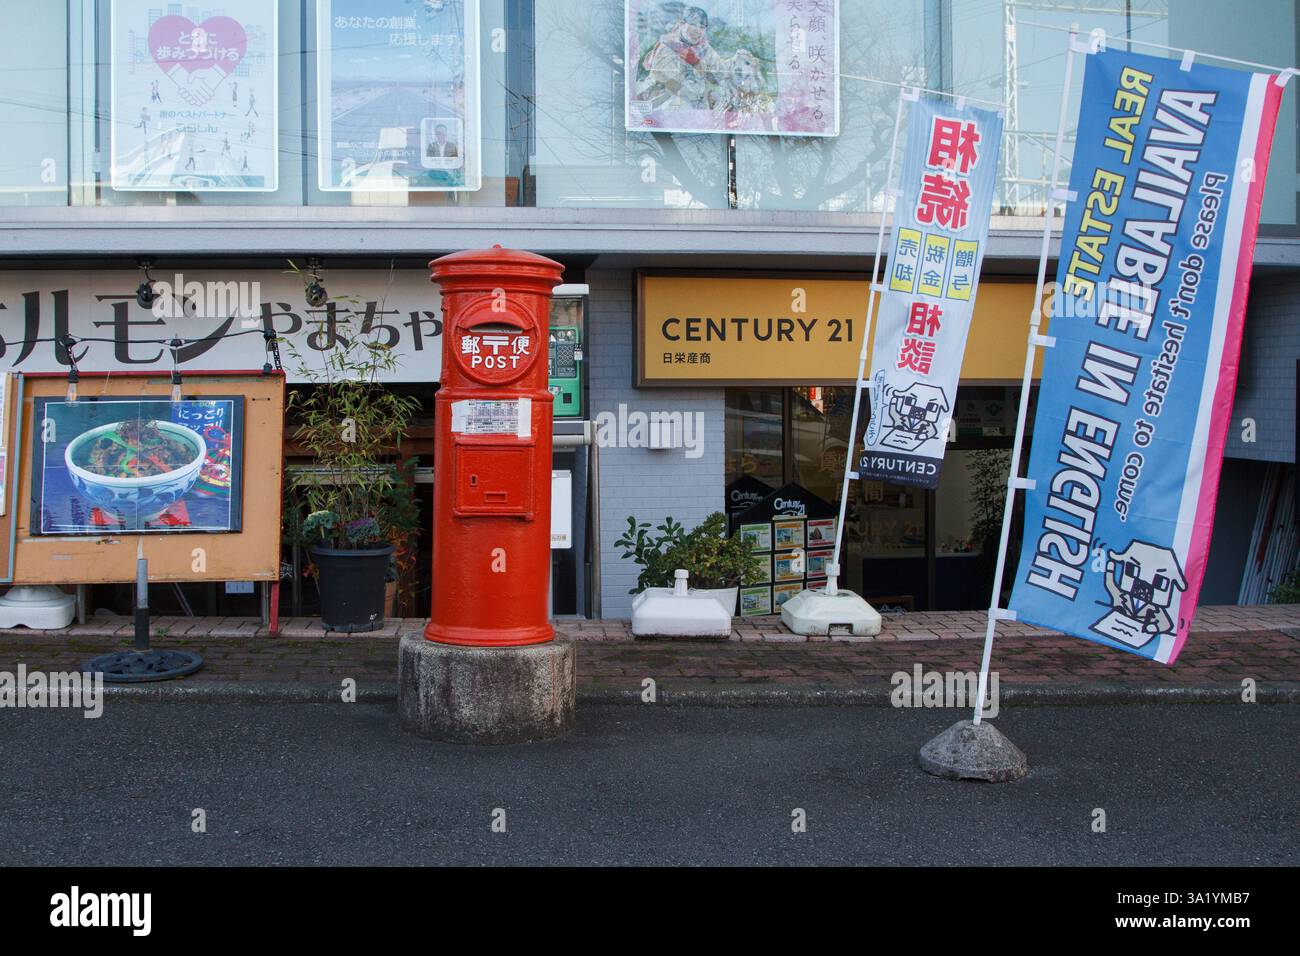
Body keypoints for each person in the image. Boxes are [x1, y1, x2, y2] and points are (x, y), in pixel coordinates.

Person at [636, 5, 724, 112]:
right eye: (693, 25)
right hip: (664, 104)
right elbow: (676, 87)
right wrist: (707, 91)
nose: (698, 30)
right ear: (682, 24)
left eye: (702, 27)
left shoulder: (703, 48)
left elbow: (720, 72)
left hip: (693, 103)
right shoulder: (668, 47)